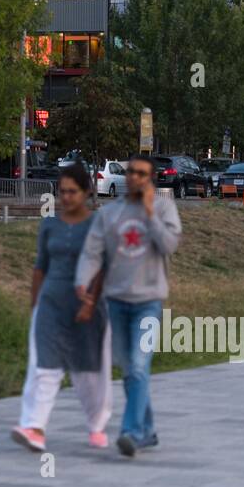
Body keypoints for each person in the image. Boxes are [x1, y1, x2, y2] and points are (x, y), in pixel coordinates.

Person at [74, 153, 181, 458]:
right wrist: (82, 281)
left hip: (148, 303)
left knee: (137, 366)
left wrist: (149, 216)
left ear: (151, 178)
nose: (134, 177)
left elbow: (170, 245)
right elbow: (92, 252)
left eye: (141, 173)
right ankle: (147, 431)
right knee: (130, 371)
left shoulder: (163, 207)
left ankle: (131, 433)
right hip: (116, 303)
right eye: (131, 171)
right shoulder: (111, 213)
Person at [11, 167, 113, 453]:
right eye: (62, 191)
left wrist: (91, 302)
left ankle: (96, 424)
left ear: (86, 193)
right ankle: (34, 427)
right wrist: (35, 306)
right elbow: (40, 266)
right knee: (43, 366)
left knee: (88, 372)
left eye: (72, 192)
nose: (66, 197)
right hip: (51, 303)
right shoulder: (49, 224)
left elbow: (104, 267)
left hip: (86, 305)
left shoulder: (97, 225)